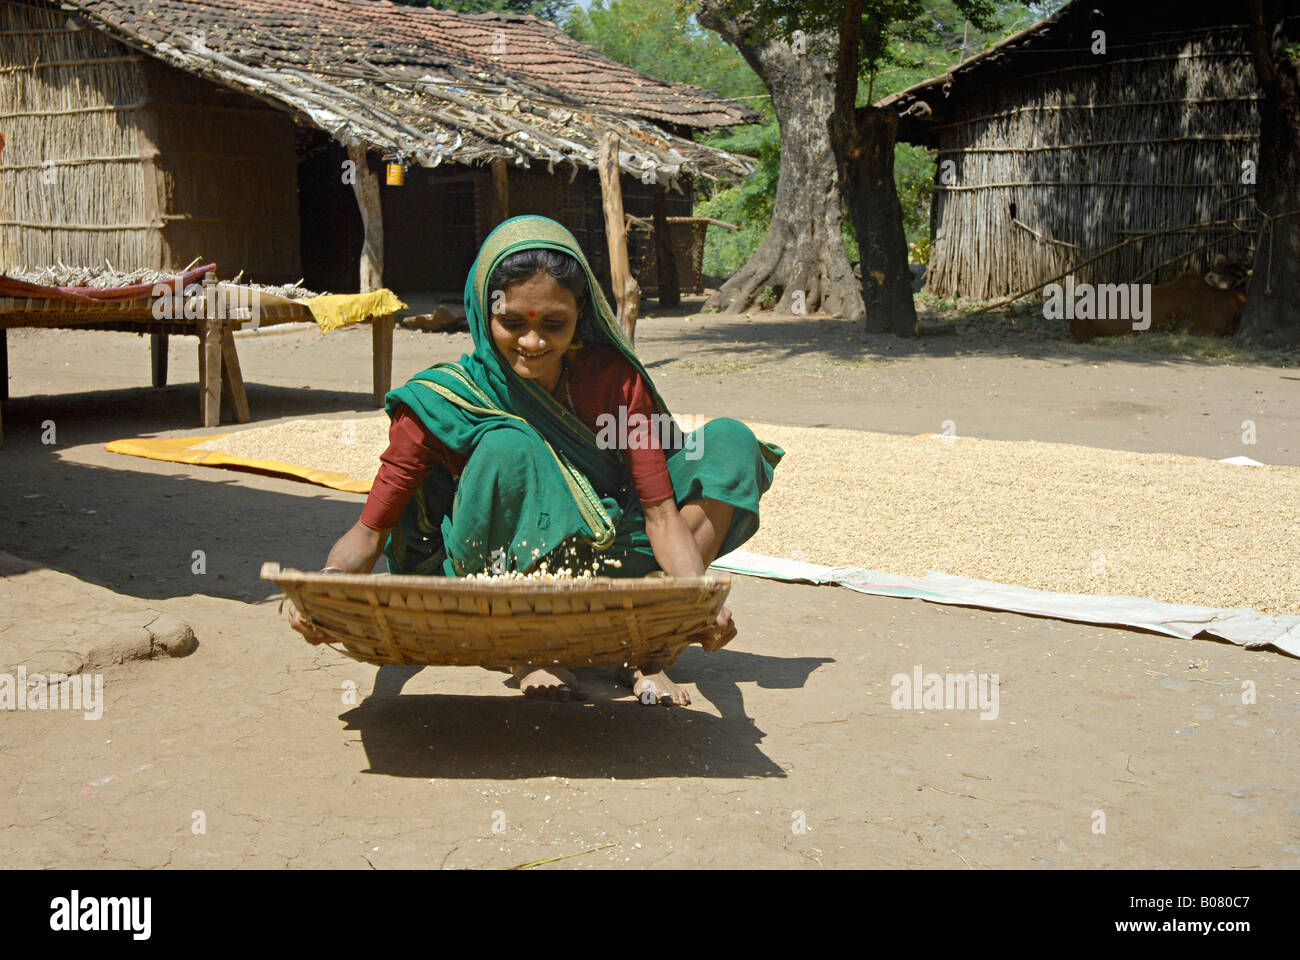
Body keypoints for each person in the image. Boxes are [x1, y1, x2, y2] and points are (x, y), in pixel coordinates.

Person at [289, 215, 782, 704]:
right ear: (485, 313)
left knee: (729, 443)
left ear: (581, 313)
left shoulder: (613, 381)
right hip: (491, 582)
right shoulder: (441, 401)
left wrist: (695, 598)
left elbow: (659, 513)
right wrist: (326, 591)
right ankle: (527, 647)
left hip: (609, 559)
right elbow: (371, 532)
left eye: (554, 324)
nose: (532, 343)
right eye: (511, 324)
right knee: (510, 445)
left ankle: (647, 648)